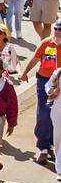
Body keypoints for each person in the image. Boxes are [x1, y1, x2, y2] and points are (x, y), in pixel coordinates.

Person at [19, 20, 59, 166]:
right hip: (43, 82)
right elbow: (35, 59)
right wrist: (25, 73)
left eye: (60, 30)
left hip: (59, 84)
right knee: (43, 114)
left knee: (56, 115)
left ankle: (52, 145)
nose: (57, 32)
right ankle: (43, 148)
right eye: (56, 29)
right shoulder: (46, 43)